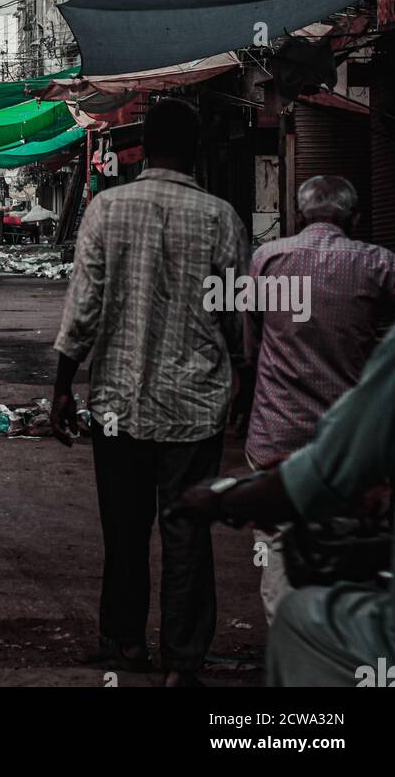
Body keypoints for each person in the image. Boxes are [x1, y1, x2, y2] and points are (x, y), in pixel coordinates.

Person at [50, 97, 248, 687]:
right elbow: (234, 314)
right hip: (195, 406)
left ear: (142, 147)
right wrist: (245, 377)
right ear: (195, 149)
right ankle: (183, 663)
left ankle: (125, 643)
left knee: (124, 529)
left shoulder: (106, 210)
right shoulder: (221, 218)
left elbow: (83, 308)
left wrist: (62, 385)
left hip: (118, 404)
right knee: (187, 535)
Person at [179, 322, 395, 687]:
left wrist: (231, 498)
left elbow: (322, 472)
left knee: (299, 615)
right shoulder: (380, 267)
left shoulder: (268, 262)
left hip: (293, 436)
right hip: (331, 444)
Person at [245, 175, 395, 624]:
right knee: (352, 548)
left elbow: (252, 341)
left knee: (276, 549)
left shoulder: (267, 258)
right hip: (353, 444)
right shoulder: (381, 264)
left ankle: (288, 651)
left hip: (276, 437)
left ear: (297, 215)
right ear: (355, 219)